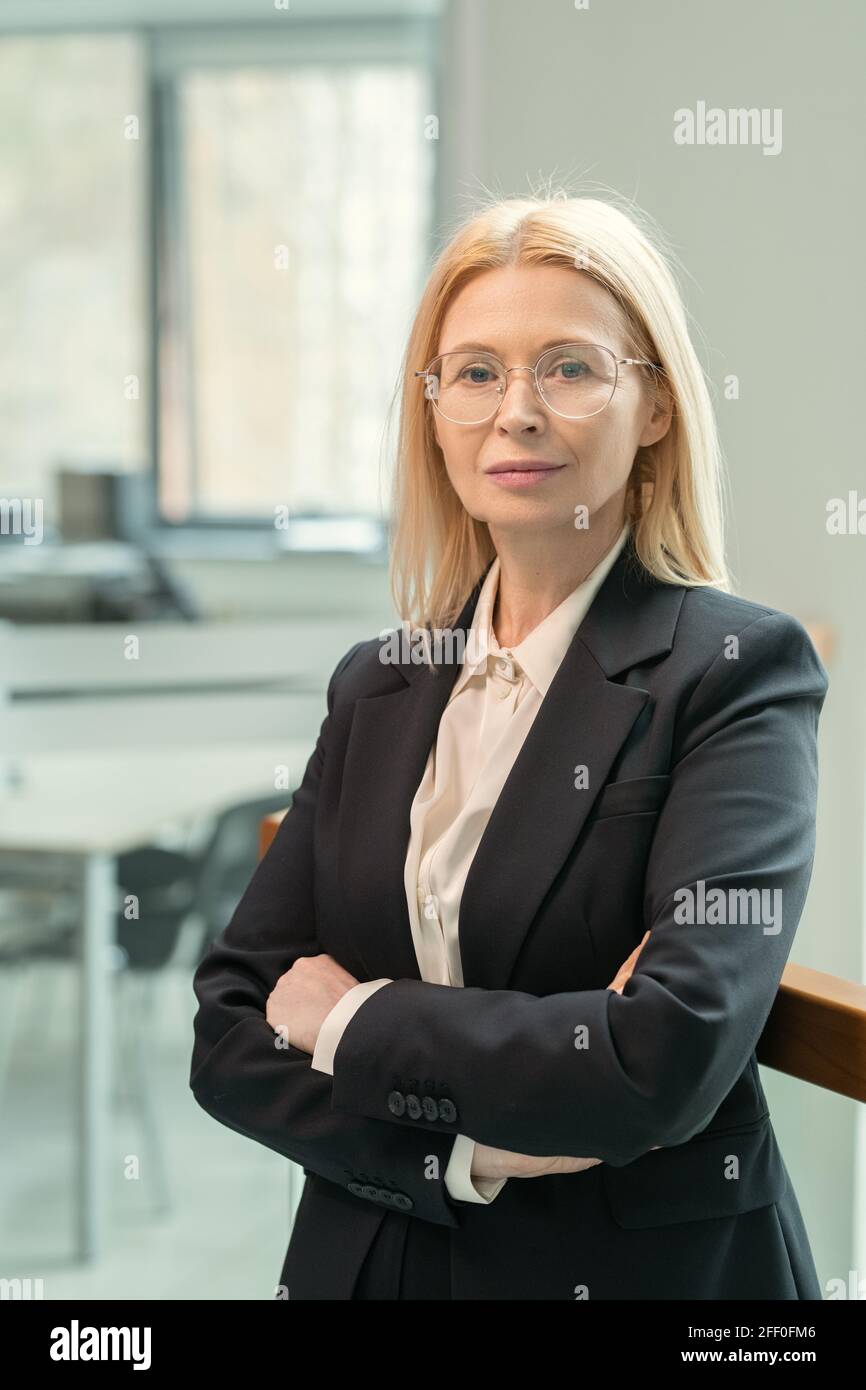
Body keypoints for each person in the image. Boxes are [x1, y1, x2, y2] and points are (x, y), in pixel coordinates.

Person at [190, 192, 828, 1300]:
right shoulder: (380, 680)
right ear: (433, 413)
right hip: (375, 1255)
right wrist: (462, 1152)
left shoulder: (735, 671)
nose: (515, 412)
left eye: (569, 368)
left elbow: (656, 1059)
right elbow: (233, 1029)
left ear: (656, 407)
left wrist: (348, 1015)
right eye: (474, 372)